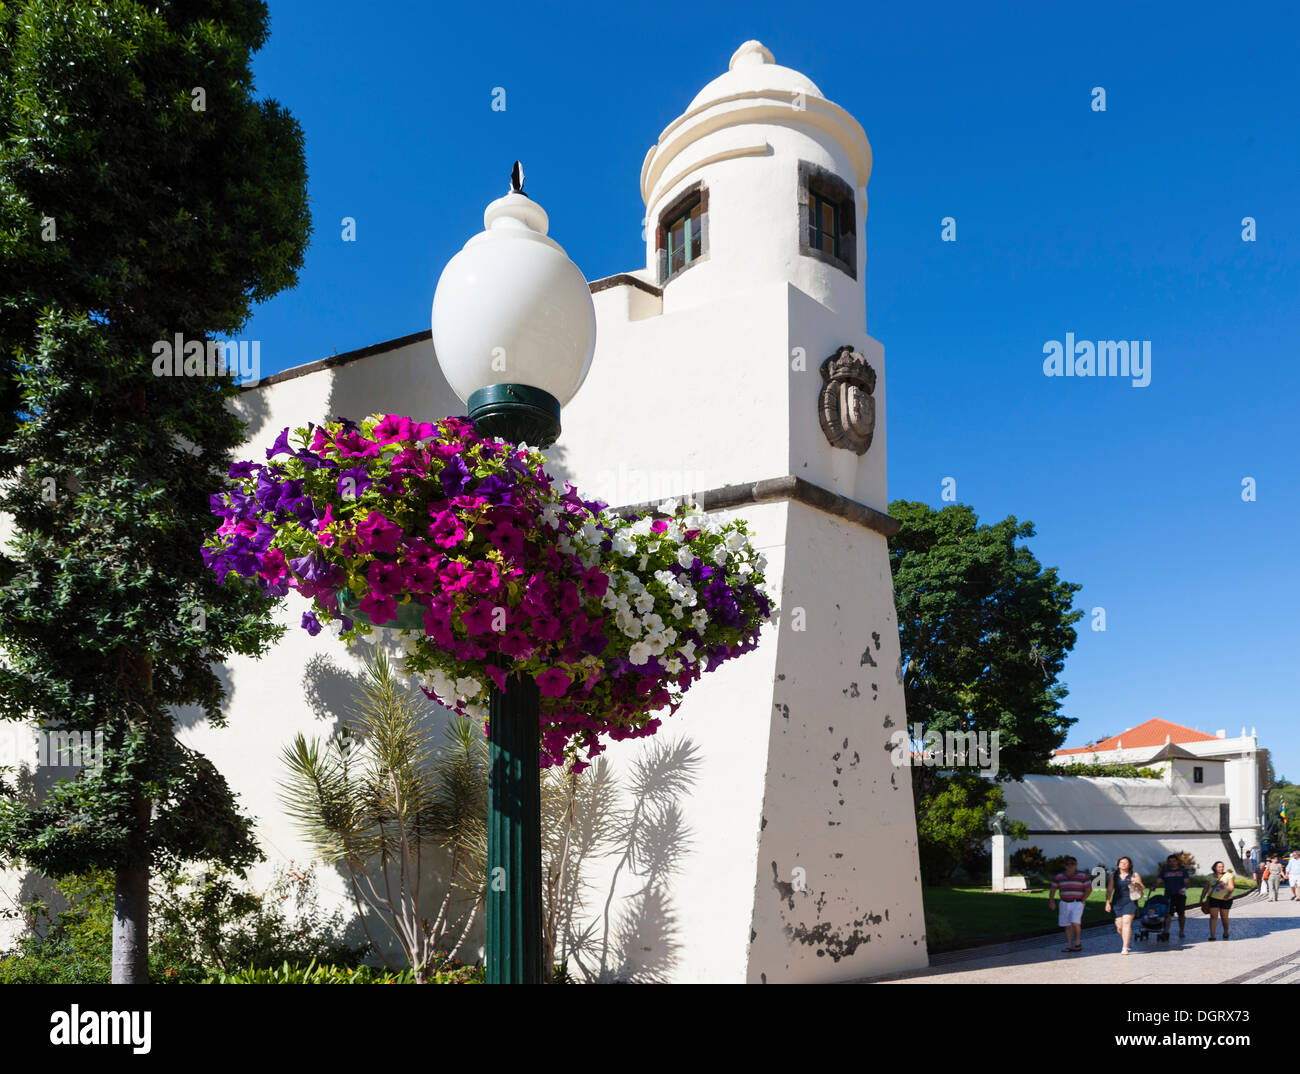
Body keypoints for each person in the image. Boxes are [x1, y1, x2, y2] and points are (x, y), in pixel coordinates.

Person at [1048, 856, 1093, 953]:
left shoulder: (1083, 876)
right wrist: (1051, 901)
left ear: (1076, 865)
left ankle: (1078, 943)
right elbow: (1053, 889)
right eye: (1068, 864)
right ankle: (1070, 945)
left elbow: (1089, 889)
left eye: (1072, 864)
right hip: (1064, 903)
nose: (1070, 866)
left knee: (1075, 922)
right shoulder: (1059, 876)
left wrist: (1083, 900)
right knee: (1067, 924)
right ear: (1065, 866)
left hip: (1077, 902)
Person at [1106, 856, 1144, 955]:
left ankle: (1125, 947)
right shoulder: (1114, 876)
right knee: (1119, 926)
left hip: (1130, 901)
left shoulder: (1134, 875)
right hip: (1117, 902)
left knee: (1126, 922)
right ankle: (1126, 940)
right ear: (1118, 864)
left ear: (1130, 865)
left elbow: (1142, 888)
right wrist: (1107, 902)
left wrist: (1137, 883)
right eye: (1121, 862)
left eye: (1126, 863)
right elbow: (1109, 890)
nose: (1123, 864)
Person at [1155, 854, 1190, 938]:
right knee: (1168, 914)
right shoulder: (1165, 872)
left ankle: (1181, 931)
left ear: (1177, 862)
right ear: (1168, 862)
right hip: (1168, 895)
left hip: (1180, 895)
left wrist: (1184, 889)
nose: (1172, 863)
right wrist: (1154, 886)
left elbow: (1187, 883)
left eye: (1174, 861)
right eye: (1170, 861)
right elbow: (1158, 880)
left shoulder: (1183, 871)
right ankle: (1166, 931)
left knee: (1181, 914)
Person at [1200, 861, 1234, 939]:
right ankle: (1212, 936)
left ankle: (1226, 931)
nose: (1221, 868)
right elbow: (1206, 888)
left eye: (1222, 866)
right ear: (1215, 868)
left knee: (1224, 917)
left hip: (1225, 899)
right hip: (1213, 899)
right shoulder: (1210, 876)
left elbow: (1231, 887)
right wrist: (1202, 898)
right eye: (1219, 867)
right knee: (1213, 916)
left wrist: (1227, 895)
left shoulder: (1229, 875)